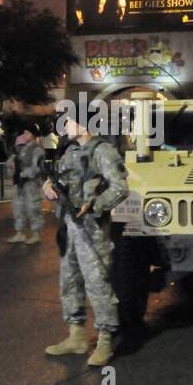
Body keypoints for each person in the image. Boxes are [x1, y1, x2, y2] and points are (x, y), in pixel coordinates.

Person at [41, 117, 129, 367]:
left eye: (69, 122)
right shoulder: (70, 152)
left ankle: (105, 339)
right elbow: (58, 179)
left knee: (97, 282)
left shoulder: (103, 151)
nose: (65, 127)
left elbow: (120, 188)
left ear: (83, 124)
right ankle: (76, 335)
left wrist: (95, 205)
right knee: (69, 280)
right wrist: (48, 187)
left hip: (92, 228)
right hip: (69, 227)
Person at [7, 124, 45, 244]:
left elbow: (37, 168)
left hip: (31, 184)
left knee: (33, 209)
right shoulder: (22, 149)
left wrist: (23, 173)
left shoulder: (37, 150)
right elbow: (12, 163)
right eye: (24, 133)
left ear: (33, 134)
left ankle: (36, 234)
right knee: (18, 209)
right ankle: (20, 233)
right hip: (20, 184)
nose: (25, 135)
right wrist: (12, 165)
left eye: (27, 132)